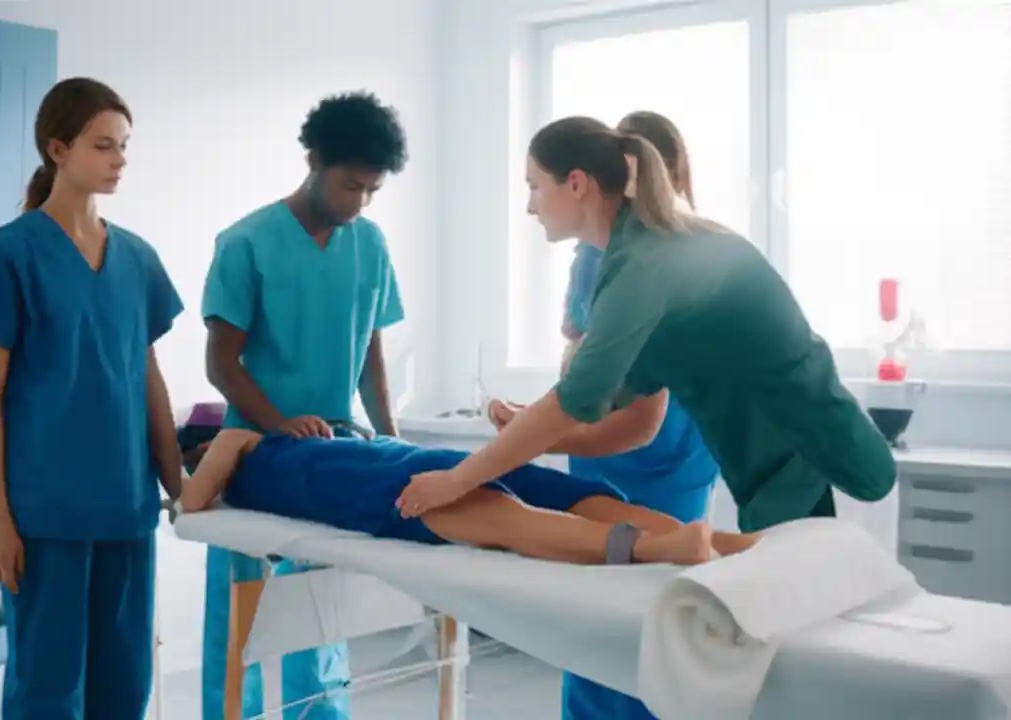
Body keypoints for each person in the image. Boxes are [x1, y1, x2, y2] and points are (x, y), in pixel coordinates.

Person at [396, 115, 896, 539]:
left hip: (815, 457)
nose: (529, 205)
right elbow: (613, 387)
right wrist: (529, 419)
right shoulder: (632, 258)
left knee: (805, 612)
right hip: (765, 461)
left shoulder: (645, 265)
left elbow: (577, 400)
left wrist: (455, 481)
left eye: (533, 186)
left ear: (576, 183)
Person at [0, 77, 184, 719]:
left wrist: (180, 482)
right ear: (58, 148)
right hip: (43, 514)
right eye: (103, 146)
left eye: (125, 147)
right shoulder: (8, 255)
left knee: (124, 684)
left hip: (126, 508)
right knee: (47, 690)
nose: (119, 160)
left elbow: (148, 380)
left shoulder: (137, 259)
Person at [489, 112, 719, 720]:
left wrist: (532, 431)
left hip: (643, 435)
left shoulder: (619, 248)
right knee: (650, 599)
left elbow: (586, 355)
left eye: (538, 188)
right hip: (683, 443)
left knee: (616, 596)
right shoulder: (689, 242)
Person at [199, 91, 408, 720]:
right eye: (351, 185)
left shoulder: (368, 244)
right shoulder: (246, 243)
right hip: (255, 453)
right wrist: (278, 423)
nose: (361, 202)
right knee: (245, 613)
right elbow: (221, 363)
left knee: (322, 607)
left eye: (373, 189)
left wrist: (392, 440)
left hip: (336, 451)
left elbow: (370, 354)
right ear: (314, 160)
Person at [177, 430, 763, 564]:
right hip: (422, 462)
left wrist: (189, 473)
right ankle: (730, 543)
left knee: (513, 523)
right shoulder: (293, 441)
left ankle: (656, 551)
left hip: (385, 489)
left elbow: (190, 507)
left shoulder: (242, 450)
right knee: (571, 495)